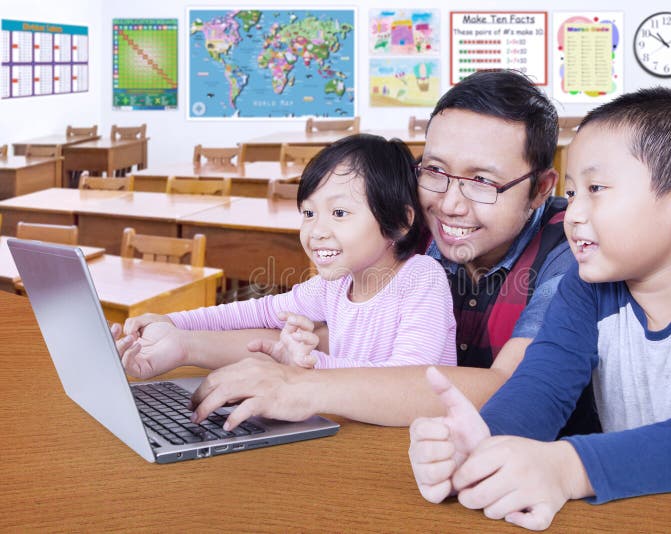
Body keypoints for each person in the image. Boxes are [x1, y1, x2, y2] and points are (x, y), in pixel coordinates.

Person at [118, 70, 597, 432]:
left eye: (482, 181)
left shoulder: (567, 248)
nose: (450, 204)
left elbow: (506, 389)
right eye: (434, 170)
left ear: (539, 189)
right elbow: (314, 334)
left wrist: (299, 382)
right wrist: (182, 341)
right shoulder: (410, 226)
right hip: (407, 451)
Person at [408, 87, 671, 530]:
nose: (573, 214)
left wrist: (568, 467)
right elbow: (539, 394)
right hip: (641, 520)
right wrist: (480, 444)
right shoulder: (586, 289)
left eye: (596, 189)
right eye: (573, 192)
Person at [118, 134, 457, 380]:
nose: (316, 230)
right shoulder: (337, 285)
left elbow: (409, 379)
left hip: (416, 448)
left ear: (398, 222)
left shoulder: (421, 278)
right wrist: (176, 323)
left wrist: (311, 364)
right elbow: (260, 310)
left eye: (339, 212)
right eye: (308, 213)